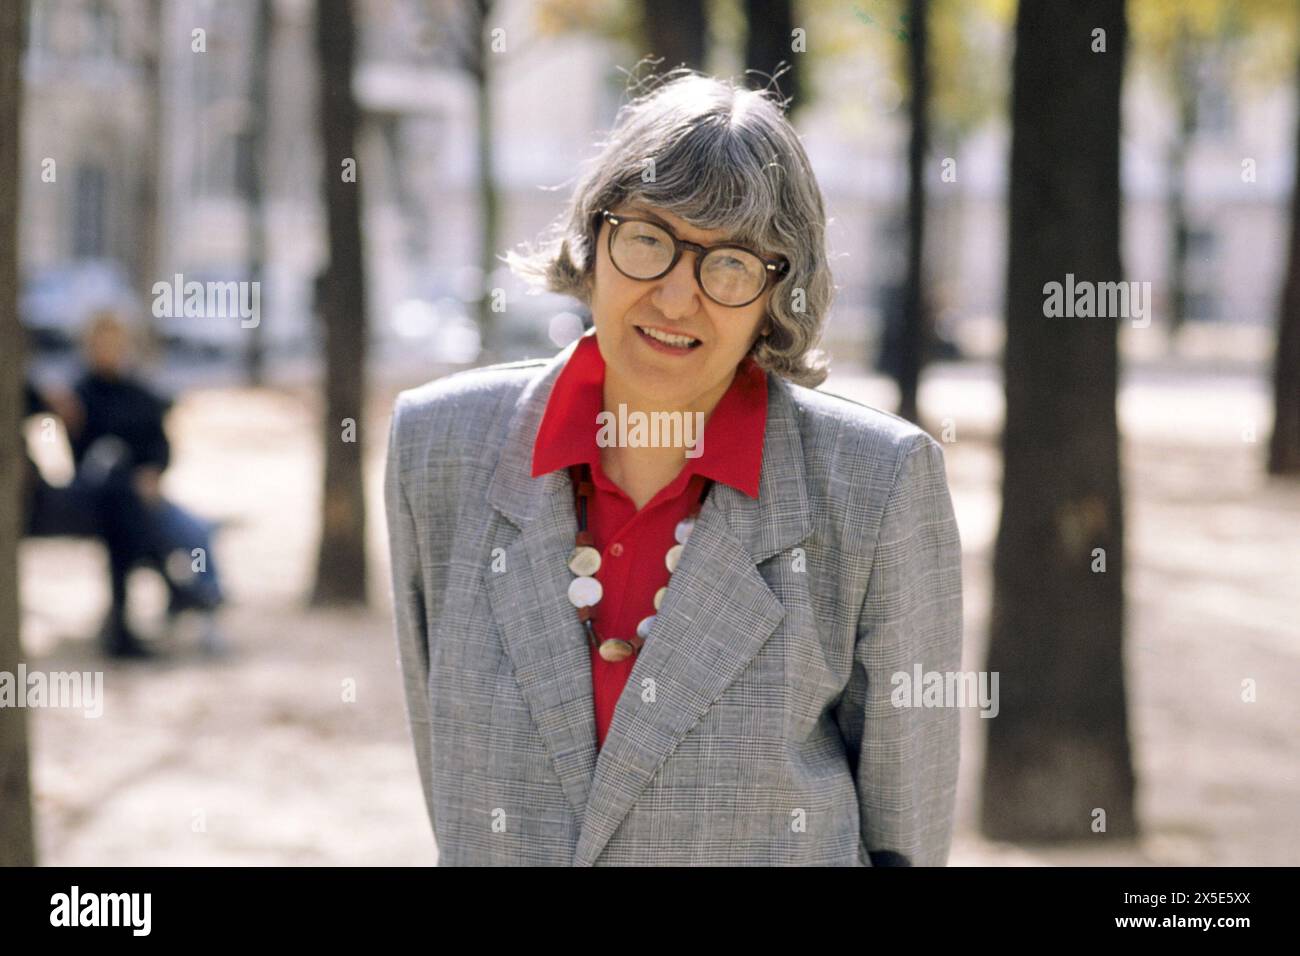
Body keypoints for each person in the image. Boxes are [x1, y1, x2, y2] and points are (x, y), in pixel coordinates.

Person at [384, 70, 963, 866]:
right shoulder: (437, 445)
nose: (676, 297)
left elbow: (908, 836)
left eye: (729, 263)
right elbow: (446, 772)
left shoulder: (880, 485)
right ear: (595, 242)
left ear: (776, 293)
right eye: (649, 239)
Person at [55, 310, 225, 657]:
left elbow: (160, 447)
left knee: (198, 532)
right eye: (101, 343)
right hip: (102, 502)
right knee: (130, 518)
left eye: (115, 343)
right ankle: (175, 592)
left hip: (147, 498)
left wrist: (152, 473)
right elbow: (82, 461)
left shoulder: (139, 394)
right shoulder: (79, 398)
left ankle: (203, 606)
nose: (109, 350)